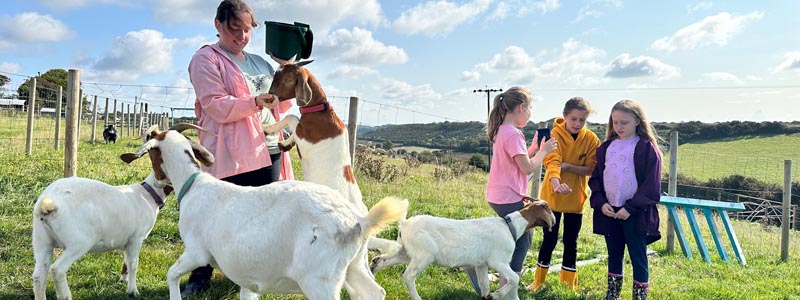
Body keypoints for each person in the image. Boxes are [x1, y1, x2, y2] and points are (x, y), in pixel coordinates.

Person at [184, 0, 293, 296]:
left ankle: (249, 271)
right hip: (227, 152)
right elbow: (214, 104)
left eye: (247, 30)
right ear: (218, 25)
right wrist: (254, 102)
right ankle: (199, 273)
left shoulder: (261, 63)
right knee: (214, 213)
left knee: (263, 214)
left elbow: (282, 103)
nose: (242, 36)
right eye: (235, 29)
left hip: (267, 147)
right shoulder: (206, 59)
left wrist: (286, 72)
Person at [468, 86, 557, 294]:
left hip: (499, 195)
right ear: (521, 107)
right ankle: (506, 290)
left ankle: (484, 269)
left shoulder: (502, 130)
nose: (530, 112)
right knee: (521, 242)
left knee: (512, 239)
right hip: (509, 196)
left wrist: (534, 148)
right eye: (530, 108)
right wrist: (544, 151)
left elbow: (518, 160)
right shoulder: (514, 134)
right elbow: (527, 168)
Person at [588, 99, 662, 300]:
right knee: (614, 254)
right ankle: (612, 294)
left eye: (624, 122)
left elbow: (652, 185)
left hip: (635, 213)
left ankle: (639, 297)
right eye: (615, 122)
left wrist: (630, 207)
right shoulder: (605, 148)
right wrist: (601, 203)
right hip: (610, 211)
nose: (618, 127)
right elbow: (596, 180)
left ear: (637, 120)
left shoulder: (646, 148)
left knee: (638, 256)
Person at [529, 97, 600, 291]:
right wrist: (556, 182)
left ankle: (568, 284)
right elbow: (552, 161)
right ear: (564, 116)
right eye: (573, 119)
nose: (577, 124)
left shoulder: (591, 139)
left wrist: (569, 167)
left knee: (571, 241)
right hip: (552, 197)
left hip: (575, 199)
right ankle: (538, 281)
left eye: (582, 120)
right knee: (549, 240)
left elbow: (592, 169)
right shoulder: (554, 135)